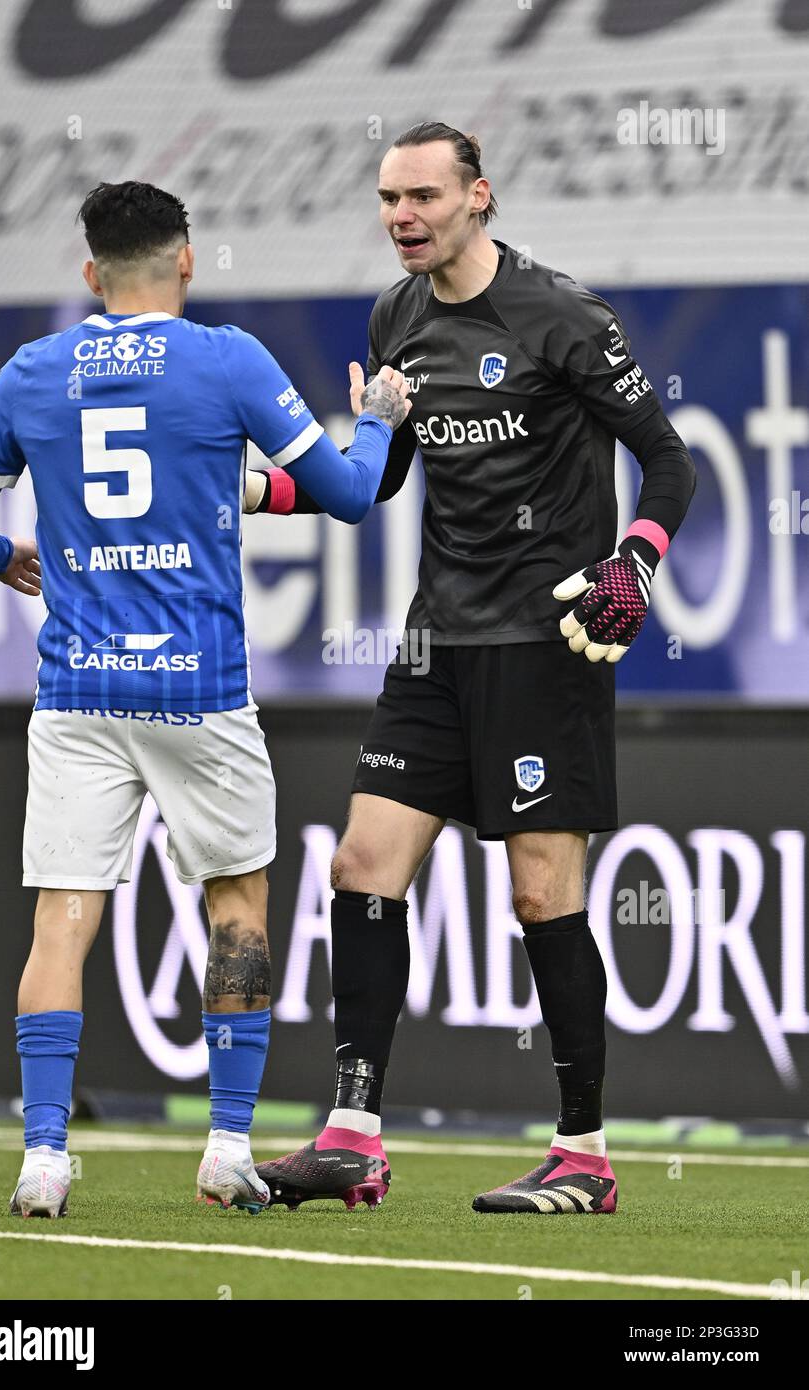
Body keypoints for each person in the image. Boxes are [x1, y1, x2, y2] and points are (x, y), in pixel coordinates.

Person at [246, 123, 696, 1215]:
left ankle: (582, 1155)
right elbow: (383, 478)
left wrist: (631, 565)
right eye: (387, 198)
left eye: (420, 197)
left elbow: (668, 461)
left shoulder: (563, 315)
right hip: (432, 644)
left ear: (477, 197)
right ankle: (352, 1134)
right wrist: (269, 494)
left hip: (543, 647)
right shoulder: (394, 315)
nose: (399, 216)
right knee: (361, 863)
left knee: (541, 891)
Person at [0, 180, 410, 1217]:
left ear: (88, 275)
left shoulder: (33, 372)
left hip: (77, 691)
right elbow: (342, 494)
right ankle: (226, 1148)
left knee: (62, 918)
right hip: (197, 690)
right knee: (235, 904)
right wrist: (375, 421)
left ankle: (44, 1159)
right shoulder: (225, 359)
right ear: (187, 262)